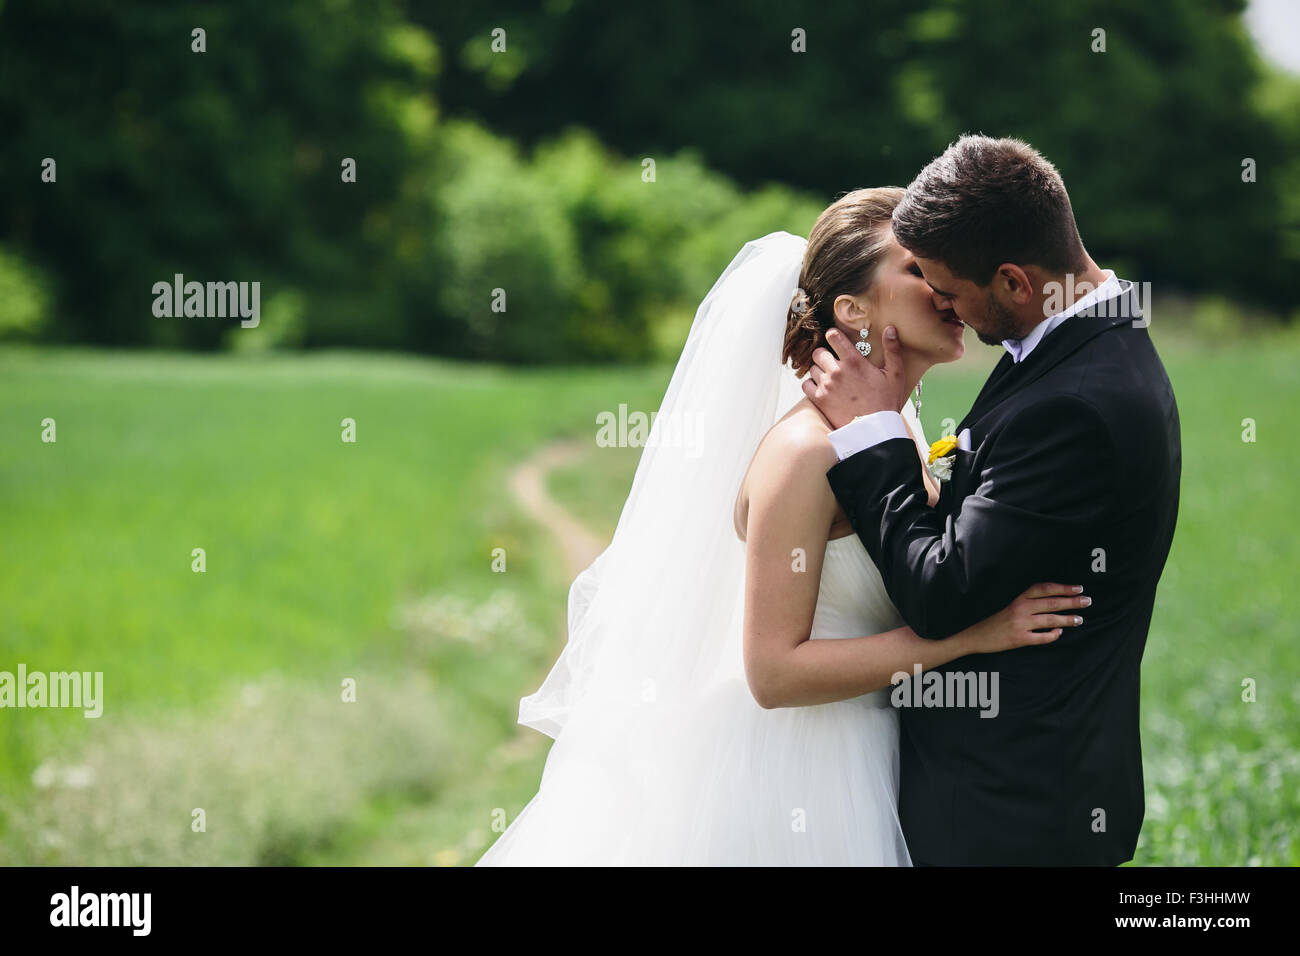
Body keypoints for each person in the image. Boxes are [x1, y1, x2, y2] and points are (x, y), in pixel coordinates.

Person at [477, 187, 1086, 866]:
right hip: (794, 770)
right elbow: (772, 671)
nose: (945, 288)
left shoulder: (889, 429)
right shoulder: (804, 454)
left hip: (871, 749)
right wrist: (969, 639)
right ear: (853, 311)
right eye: (916, 272)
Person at [804, 136, 1181, 865]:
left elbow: (942, 594)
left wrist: (872, 431)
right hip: (1012, 796)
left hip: (1010, 809)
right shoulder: (1072, 348)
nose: (941, 302)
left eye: (946, 286)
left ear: (1012, 281)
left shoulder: (1076, 399)